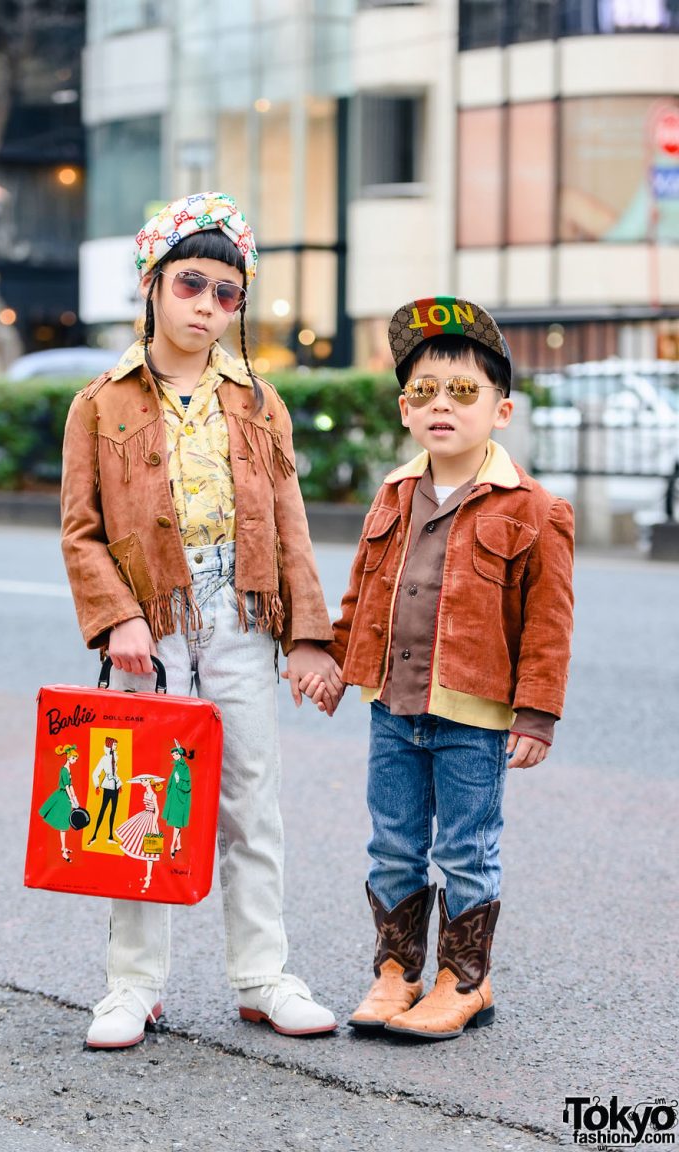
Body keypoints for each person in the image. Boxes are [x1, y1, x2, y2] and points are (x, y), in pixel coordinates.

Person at [60, 191, 343, 1049]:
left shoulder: (259, 400)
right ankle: (133, 987)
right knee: (138, 807)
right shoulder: (99, 402)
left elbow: (290, 521)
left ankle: (262, 976)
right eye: (192, 285)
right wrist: (116, 620)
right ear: (151, 284)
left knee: (253, 802)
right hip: (152, 625)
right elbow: (80, 530)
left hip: (243, 615)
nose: (210, 308)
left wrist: (306, 637)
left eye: (228, 294)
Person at [307, 296, 574, 1041]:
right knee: (391, 842)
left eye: (463, 392)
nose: (442, 407)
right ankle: (397, 972)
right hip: (393, 709)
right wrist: (333, 662)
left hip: (473, 718)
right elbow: (363, 594)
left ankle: (466, 981)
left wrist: (537, 712)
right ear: (403, 408)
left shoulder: (534, 510)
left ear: (503, 410)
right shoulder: (393, 493)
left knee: (466, 847)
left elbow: (548, 626)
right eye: (424, 393)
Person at [115, 775, 165, 893]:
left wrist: (153, 825)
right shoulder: (145, 793)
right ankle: (146, 875)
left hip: (151, 819)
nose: (143, 782)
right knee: (136, 841)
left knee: (150, 851)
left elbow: (157, 810)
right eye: (142, 780)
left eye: (145, 780)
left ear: (150, 781)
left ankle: (148, 877)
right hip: (143, 816)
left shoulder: (153, 794)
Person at [38, 744, 81, 863]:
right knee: (63, 825)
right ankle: (63, 852)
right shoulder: (64, 770)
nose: (75, 760)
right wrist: (71, 799)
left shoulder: (68, 769)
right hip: (63, 797)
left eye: (76, 759)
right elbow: (67, 786)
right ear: (68, 758)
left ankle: (63, 847)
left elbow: (71, 785)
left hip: (66, 797)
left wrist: (75, 797)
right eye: (74, 758)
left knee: (64, 826)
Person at [89, 736, 123, 845]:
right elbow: (95, 773)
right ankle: (94, 835)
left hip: (115, 787)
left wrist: (119, 784)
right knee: (102, 810)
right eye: (114, 745)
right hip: (107, 787)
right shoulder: (104, 758)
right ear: (109, 745)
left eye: (116, 745)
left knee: (113, 811)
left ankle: (110, 836)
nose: (116, 746)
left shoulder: (115, 756)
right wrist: (97, 786)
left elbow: (115, 773)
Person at [163, 741, 193, 859]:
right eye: (173, 755)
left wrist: (178, 782)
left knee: (176, 823)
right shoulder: (176, 766)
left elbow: (187, 786)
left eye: (176, 754)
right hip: (174, 797)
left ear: (180, 754)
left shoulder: (185, 768)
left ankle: (172, 846)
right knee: (177, 824)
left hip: (181, 799)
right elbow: (171, 780)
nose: (174, 756)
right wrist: (169, 790)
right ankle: (179, 844)